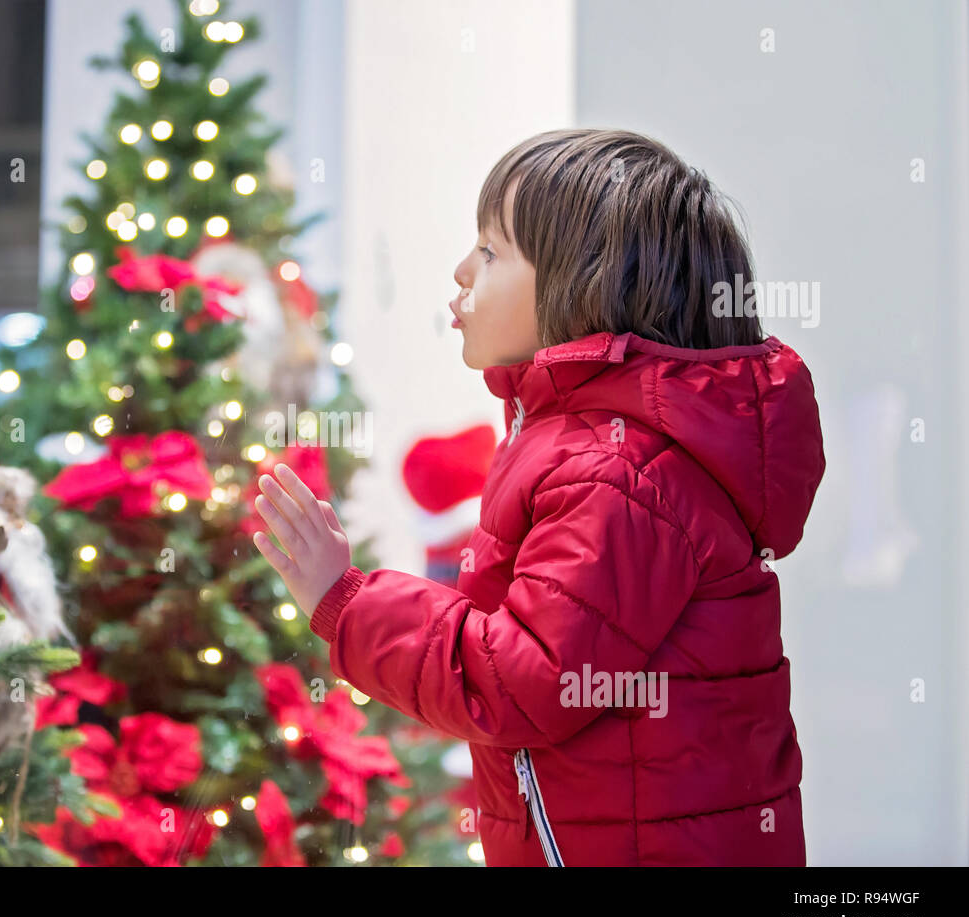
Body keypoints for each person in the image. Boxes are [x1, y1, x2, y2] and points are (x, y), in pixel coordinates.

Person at [251, 129, 826, 866]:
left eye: (490, 252)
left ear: (582, 287)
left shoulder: (617, 474)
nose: (461, 271)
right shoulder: (586, 443)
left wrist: (349, 601)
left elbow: (519, 682)